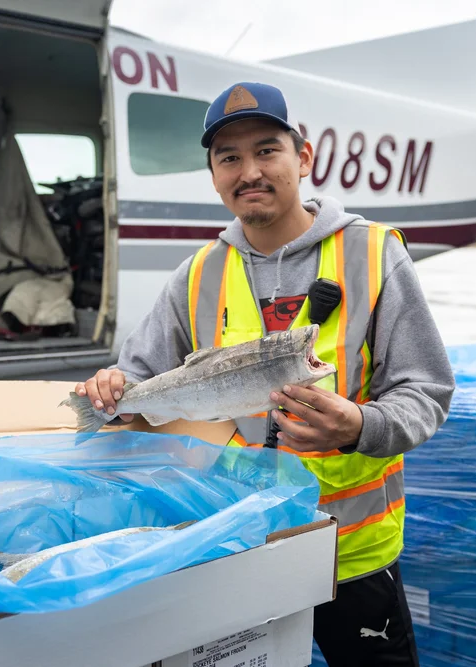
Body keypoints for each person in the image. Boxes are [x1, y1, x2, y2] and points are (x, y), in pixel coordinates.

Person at [75, 81, 456, 666]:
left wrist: (360, 425)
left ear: (302, 158)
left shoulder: (375, 254)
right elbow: (137, 378)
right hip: (237, 549)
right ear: (213, 175)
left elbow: (426, 390)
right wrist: (111, 392)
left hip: (352, 555)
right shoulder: (196, 275)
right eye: (229, 157)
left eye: (266, 151)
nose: (249, 171)